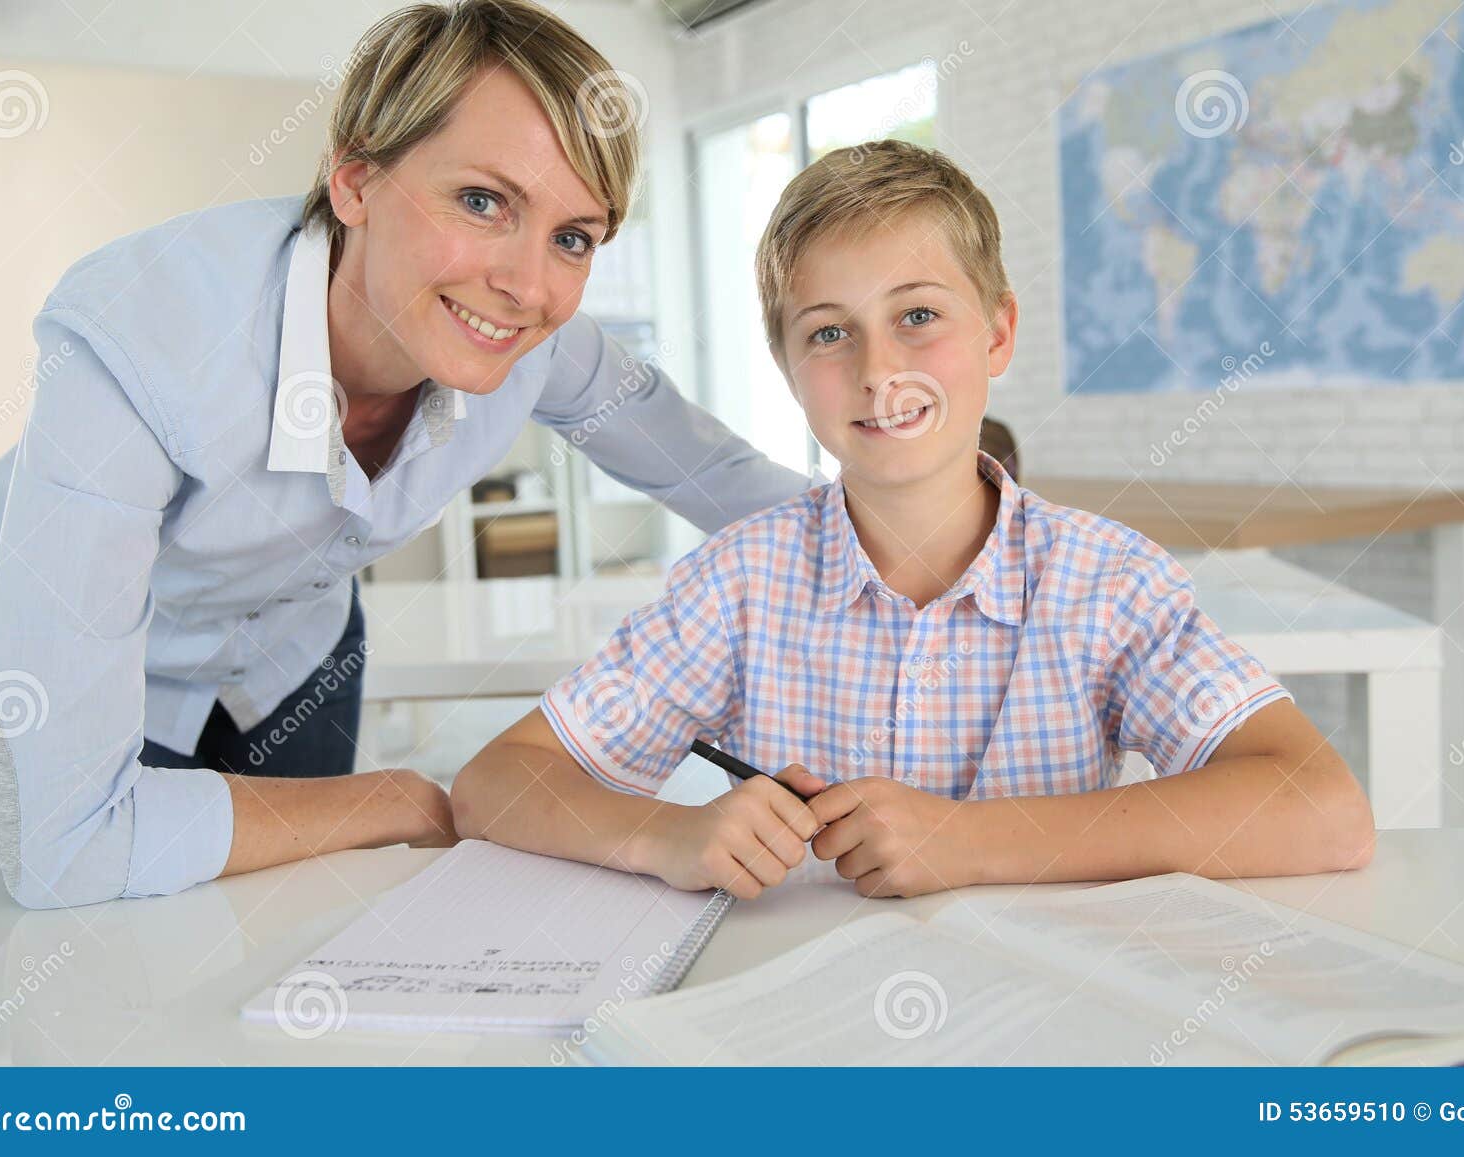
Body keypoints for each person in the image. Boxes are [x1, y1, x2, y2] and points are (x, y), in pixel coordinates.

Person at [0, 0, 807, 909]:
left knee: (307, 928)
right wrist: (397, 795)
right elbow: (70, 847)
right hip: (44, 642)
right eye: (482, 201)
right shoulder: (140, 339)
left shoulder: (545, 347)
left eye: (573, 237)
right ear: (355, 181)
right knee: (111, 941)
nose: (528, 287)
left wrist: (942, 536)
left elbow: (725, 481)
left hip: (290, 655)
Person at [450, 140, 1375, 899]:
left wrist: (971, 841)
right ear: (785, 366)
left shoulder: (1107, 580)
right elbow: (496, 783)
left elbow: (1322, 808)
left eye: (919, 314)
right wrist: (669, 834)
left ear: (997, 333)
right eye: (828, 331)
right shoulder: (739, 582)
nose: (877, 368)